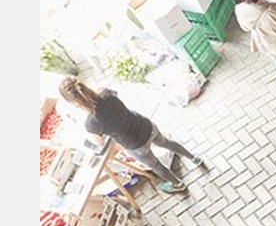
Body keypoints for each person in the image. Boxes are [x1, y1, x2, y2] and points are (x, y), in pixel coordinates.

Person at [58, 77, 203, 194]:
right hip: (146, 125)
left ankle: (178, 184)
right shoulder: (105, 92)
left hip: (135, 144)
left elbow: (100, 143)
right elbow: (110, 102)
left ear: (73, 103)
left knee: (156, 165)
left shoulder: (90, 123)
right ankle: (194, 158)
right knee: (166, 142)